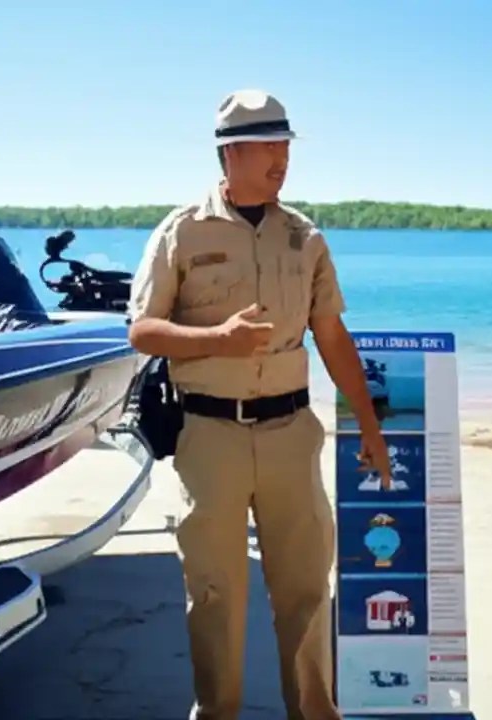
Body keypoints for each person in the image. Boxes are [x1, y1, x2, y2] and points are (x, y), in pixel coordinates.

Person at [126, 88, 392, 720]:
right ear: (231, 152)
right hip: (210, 437)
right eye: (270, 146)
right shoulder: (181, 232)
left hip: (291, 433)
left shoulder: (305, 237)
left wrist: (369, 427)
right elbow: (142, 331)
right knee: (215, 594)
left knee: (305, 591)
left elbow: (331, 335)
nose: (283, 159)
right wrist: (216, 339)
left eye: (286, 146)